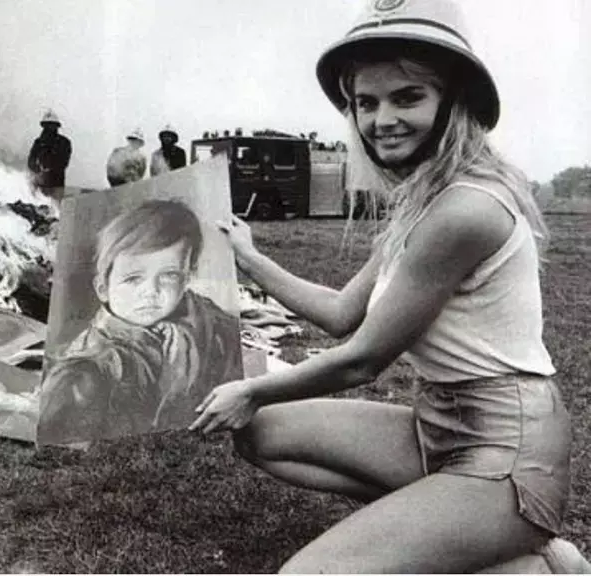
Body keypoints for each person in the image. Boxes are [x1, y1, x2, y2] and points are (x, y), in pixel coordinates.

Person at [189, 0, 591, 572]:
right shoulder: (422, 202)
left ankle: (528, 561)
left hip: (508, 453)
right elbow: (339, 314)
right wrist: (250, 258)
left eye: (408, 97)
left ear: (455, 102)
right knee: (258, 434)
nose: (382, 120)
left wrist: (250, 388)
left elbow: (363, 360)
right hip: (438, 428)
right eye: (365, 103)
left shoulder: (465, 209)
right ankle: (473, 540)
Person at [39, 200, 242, 445]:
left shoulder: (205, 320)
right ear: (103, 288)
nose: (151, 291)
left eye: (169, 275)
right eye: (133, 278)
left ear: (187, 278)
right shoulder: (89, 369)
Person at [26, 109, 72, 193]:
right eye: (47, 125)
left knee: (53, 205)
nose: (49, 128)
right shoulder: (38, 142)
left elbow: (64, 162)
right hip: (39, 184)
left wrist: (49, 169)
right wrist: (36, 169)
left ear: (56, 126)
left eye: (52, 125)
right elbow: (31, 160)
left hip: (56, 185)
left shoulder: (64, 142)